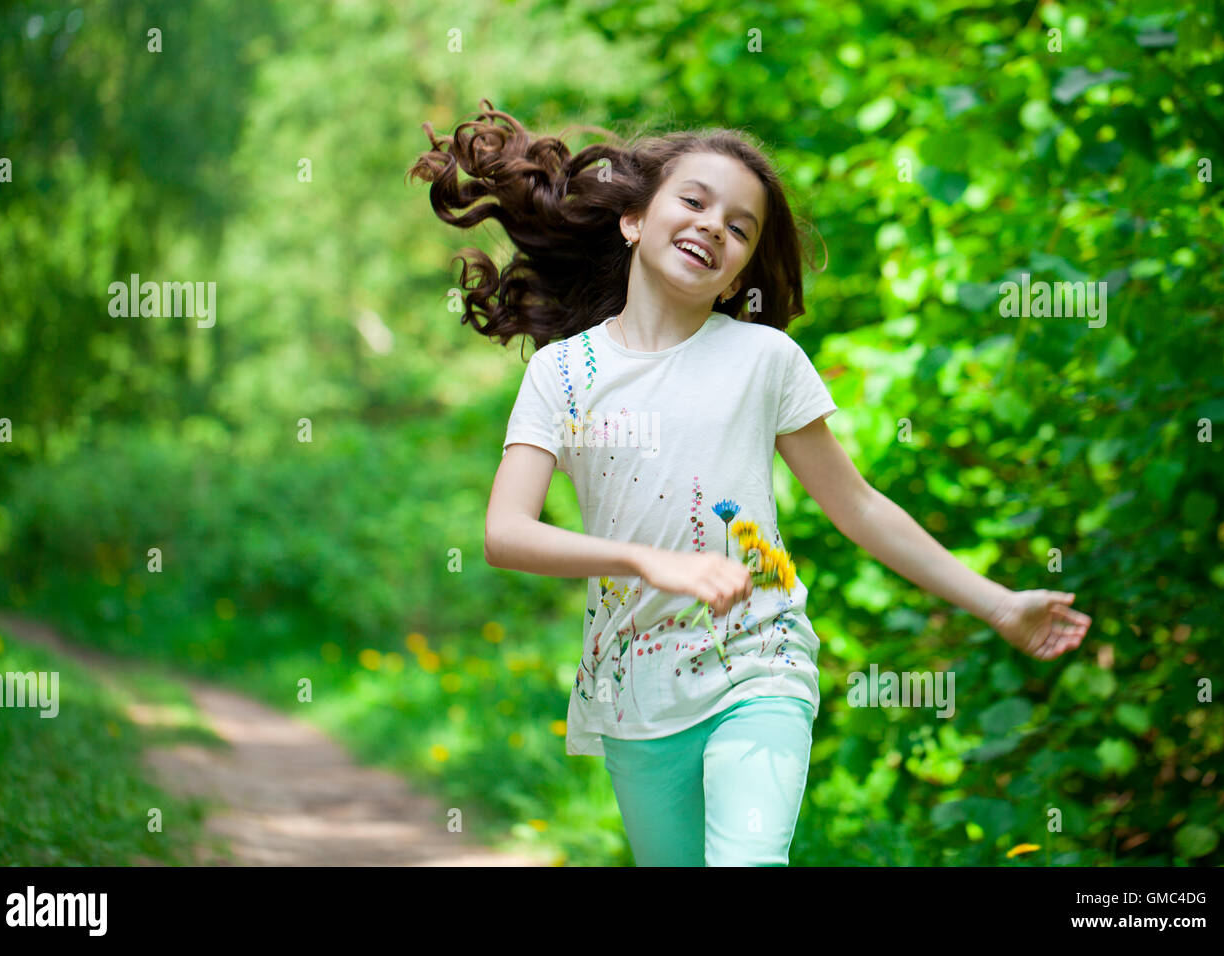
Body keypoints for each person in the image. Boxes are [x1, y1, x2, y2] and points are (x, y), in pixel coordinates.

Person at [409, 99, 1092, 867]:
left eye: (740, 227)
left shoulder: (763, 362)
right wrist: (647, 562)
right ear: (634, 220)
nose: (713, 228)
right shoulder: (562, 374)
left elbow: (859, 507)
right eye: (694, 202)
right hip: (636, 686)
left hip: (760, 665)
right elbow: (506, 534)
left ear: (740, 270)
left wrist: (1001, 604)